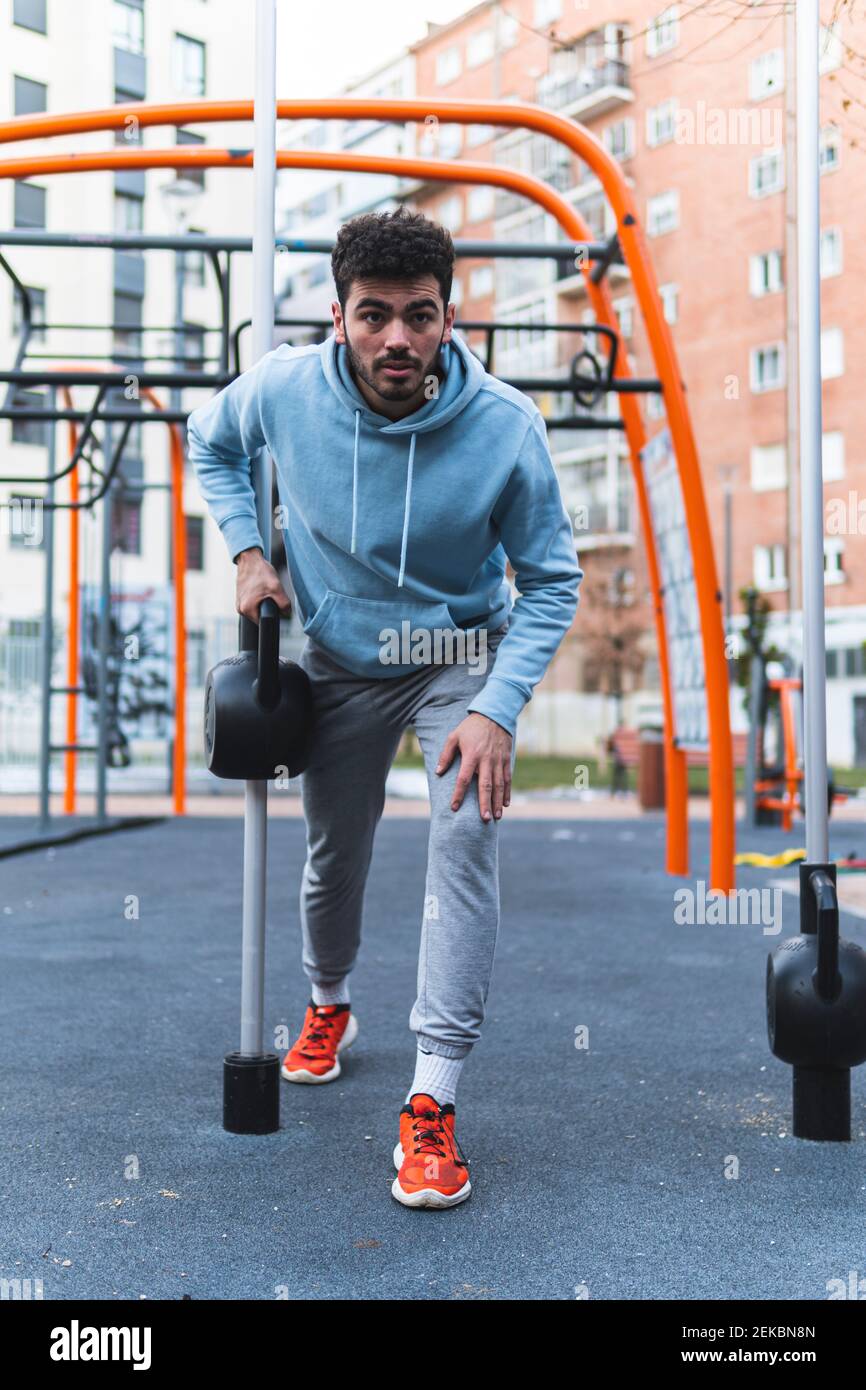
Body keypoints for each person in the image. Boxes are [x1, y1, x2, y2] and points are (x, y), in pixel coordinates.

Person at [187, 206, 583, 1209]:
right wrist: (245, 550)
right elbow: (209, 442)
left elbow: (551, 581)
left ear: (448, 317)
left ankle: (431, 1098)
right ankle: (329, 1005)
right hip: (337, 657)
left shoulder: (503, 426)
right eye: (373, 316)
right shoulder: (281, 388)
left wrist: (496, 707)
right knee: (335, 857)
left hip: (456, 654)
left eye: (418, 315)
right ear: (337, 315)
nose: (396, 339)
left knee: (462, 838)